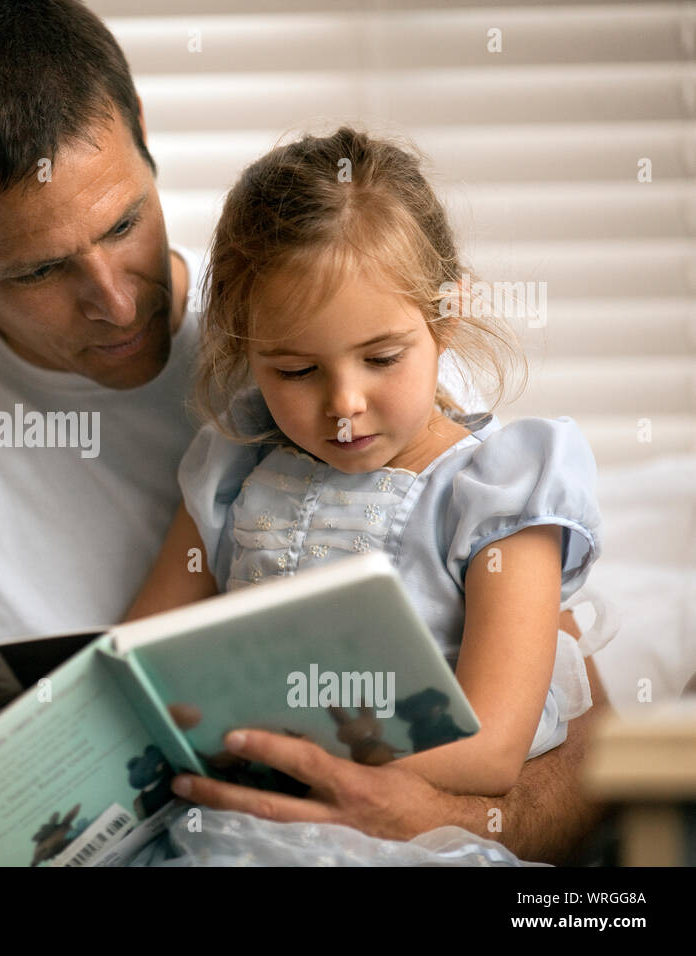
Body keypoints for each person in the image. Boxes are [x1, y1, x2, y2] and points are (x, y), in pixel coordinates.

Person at [0, 0, 611, 867]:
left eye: (123, 223)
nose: (117, 303)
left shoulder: (341, 322)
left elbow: (569, 748)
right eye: (41, 270)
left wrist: (412, 810)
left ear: (143, 136)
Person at [121, 127, 619, 820]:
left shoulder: (502, 493)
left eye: (382, 358)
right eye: (295, 371)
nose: (344, 404)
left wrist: (286, 759)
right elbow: (132, 665)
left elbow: (492, 749)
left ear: (448, 315)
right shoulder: (233, 467)